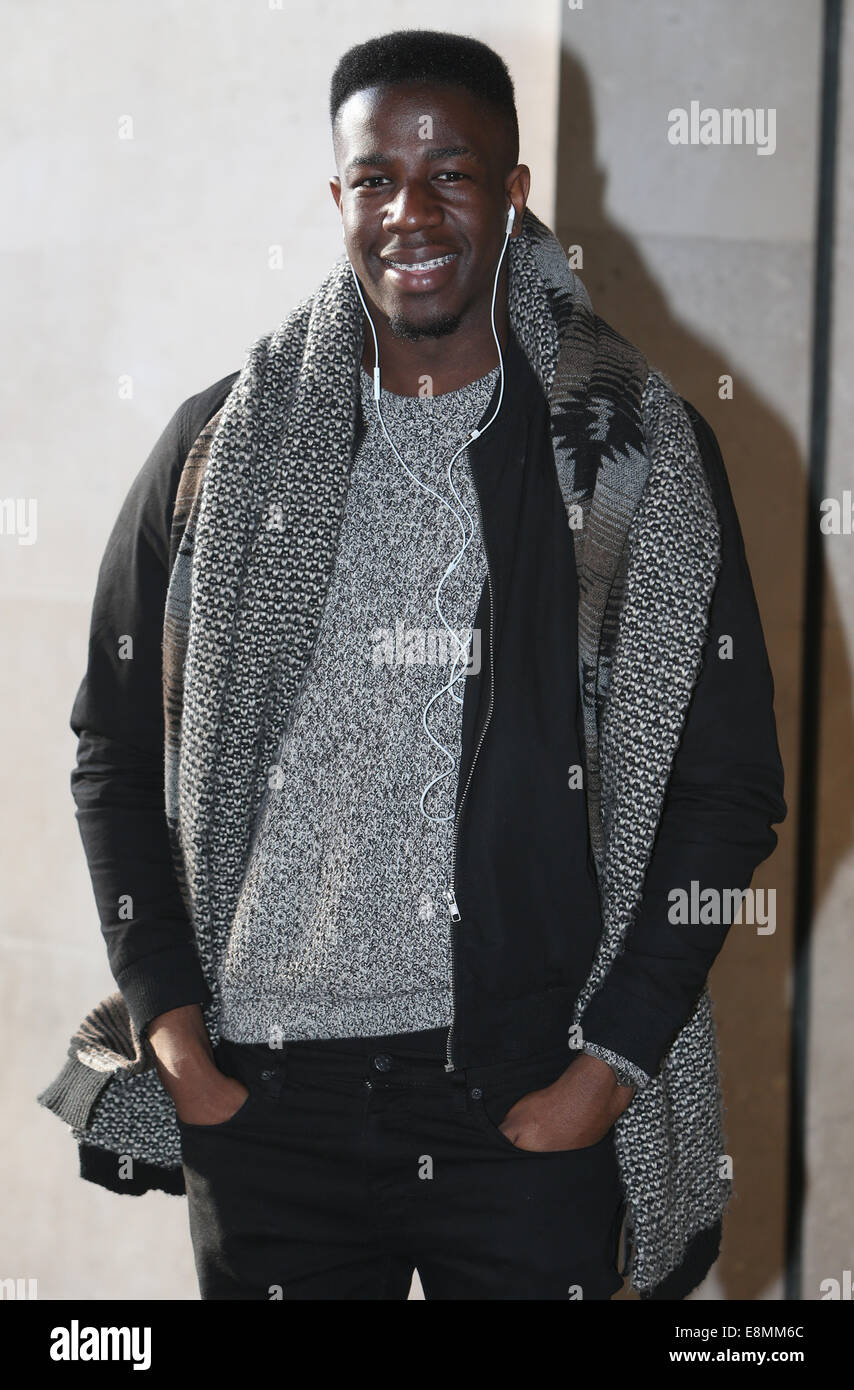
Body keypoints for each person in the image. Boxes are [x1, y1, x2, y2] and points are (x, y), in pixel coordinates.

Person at [39, 29, 786, 1301]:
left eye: (448, 173)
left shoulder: (625, 460)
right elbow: (110, 749)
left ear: (513, 191)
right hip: (262, 1106)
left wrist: (603, 1069)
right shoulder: (219, 449)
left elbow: (726, 793)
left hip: (518, 1097)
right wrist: (171, 1026)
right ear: (337, 200)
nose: (409, 212)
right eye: (374, 178)